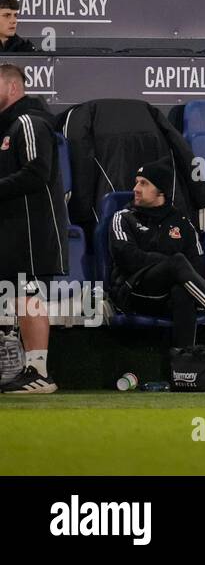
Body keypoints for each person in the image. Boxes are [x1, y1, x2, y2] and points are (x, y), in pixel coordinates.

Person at [109, 157, 205, 350]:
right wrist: (170, 265)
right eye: (137, 182)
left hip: (169, 296)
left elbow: (197, 266)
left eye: (144, 183)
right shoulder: (123, 217)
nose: (136, 188)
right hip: (133, 292)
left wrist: (173, 269)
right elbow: (126, 257)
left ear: (161, 191)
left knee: (184, 290)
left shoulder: (182, 222)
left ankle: (184, 366)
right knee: (178, 263)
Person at [0, 64, 67, 394]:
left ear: (12, 88)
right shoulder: (10, 126)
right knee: (17, 295)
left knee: (27, 295)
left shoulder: (28, 121)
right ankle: (30, 367)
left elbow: (38, 171)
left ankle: (39, 372)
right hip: (14, 227)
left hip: (32, 226)